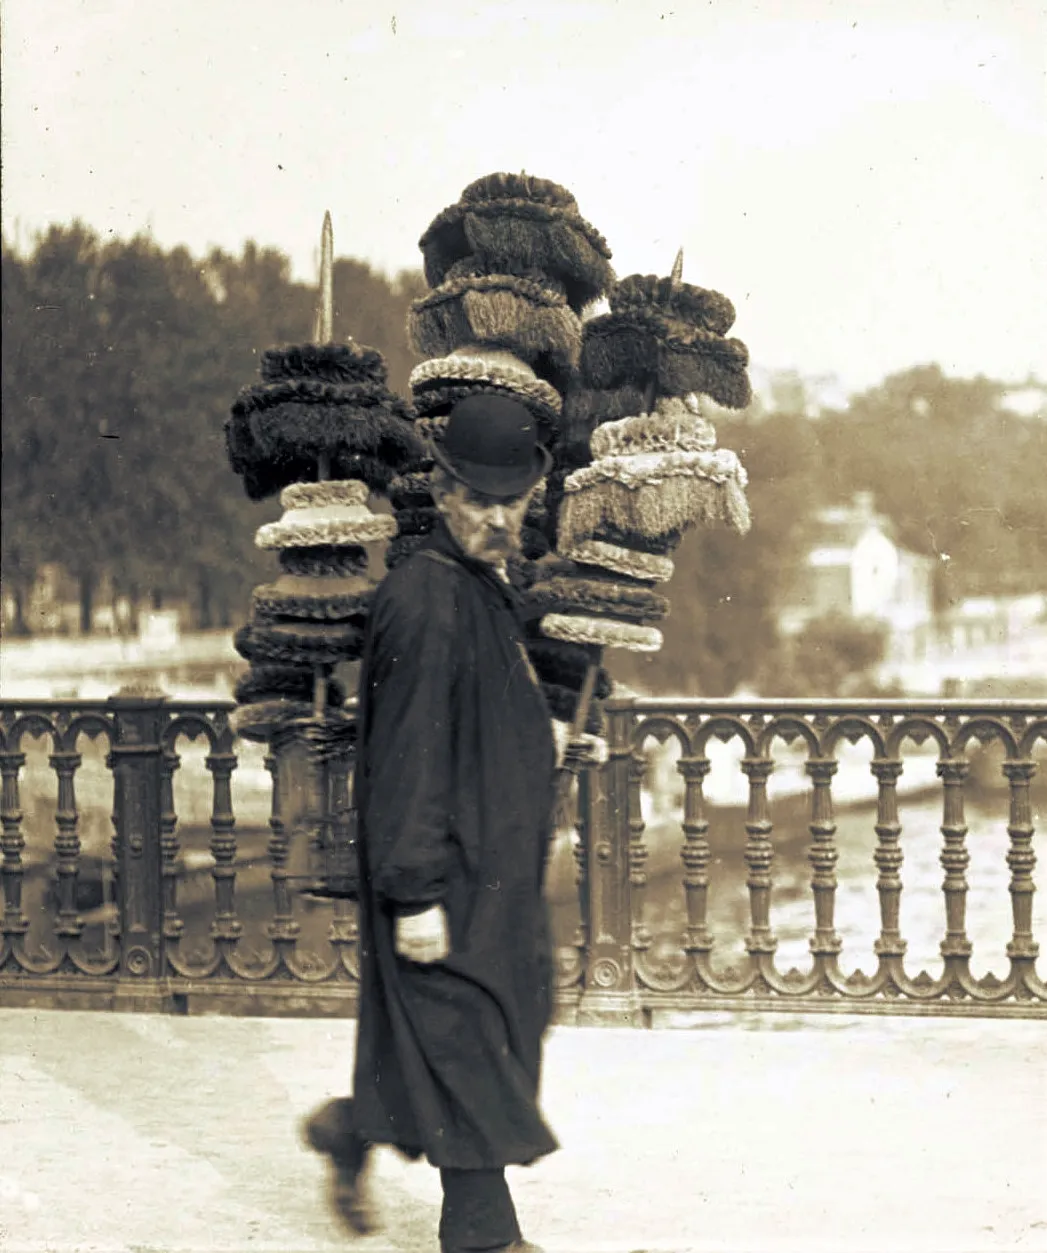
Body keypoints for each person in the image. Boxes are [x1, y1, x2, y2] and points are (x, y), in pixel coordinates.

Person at [304, 393, 568, 1253]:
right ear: (445, 491)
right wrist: (413, 892)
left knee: (492, 1026)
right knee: (467, 1038)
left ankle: (350, 1128)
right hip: (443, 874)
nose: (496, 518)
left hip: (488, 874)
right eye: (477, 500)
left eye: (511, 502)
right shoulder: (422, 598)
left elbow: (487, 716)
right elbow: (407, 757)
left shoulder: (483, 588)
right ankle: (485, 1237)